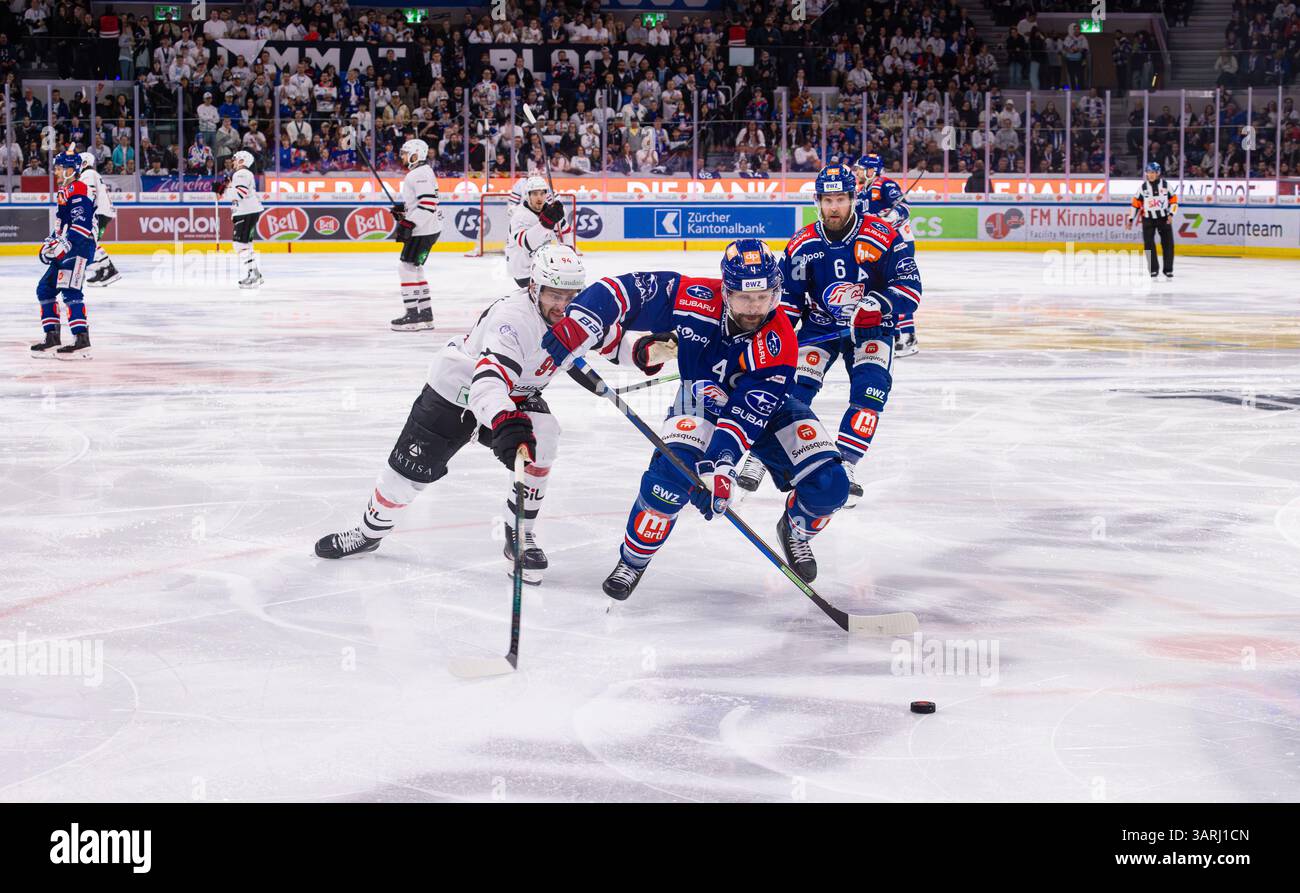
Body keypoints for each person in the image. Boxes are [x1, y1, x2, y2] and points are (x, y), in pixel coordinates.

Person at [540, 240, 853, 592]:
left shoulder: (780, 342)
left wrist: (719, 467)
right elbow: (625, 290)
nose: (755, 308)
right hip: (700, 400)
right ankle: (633, 560)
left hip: (768, 409)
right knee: (668, 480)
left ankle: (795, 530)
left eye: (763, 297)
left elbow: (745, 415)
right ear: (726, 291)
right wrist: (584, 319)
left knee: (831, 484)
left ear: (776, 293)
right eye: (744, 298)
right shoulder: (694, 297)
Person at [313, 244, 588, 585]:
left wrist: (640, 351)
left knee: (543, 436)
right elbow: (488, 383)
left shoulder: (577, 314)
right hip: (458, 391)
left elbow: (605, 338)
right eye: (554, 295)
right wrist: (506, 422)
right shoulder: (512, 319)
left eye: (570, 296)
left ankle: (519, 534)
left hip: (514, 395)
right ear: (534, 287)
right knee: (405, 478)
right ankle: (367, 533)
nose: (562, 305)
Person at [735, 165, 920, 509]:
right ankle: (762, 457)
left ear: (853, 198)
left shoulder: (882, 236)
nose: (834, 207)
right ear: (818, 202)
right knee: (791, 390)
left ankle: (846, 464)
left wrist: (878, 304)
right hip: (821, 329)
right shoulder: (802, 244)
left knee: (870, 392)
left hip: (872, 329)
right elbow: (788, 302)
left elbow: (910, 287)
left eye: (840, 199)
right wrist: (769, 337)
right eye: (827, 200)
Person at [853, 153, 923, 356]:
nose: (857, 172)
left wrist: (889, 218)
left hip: (899, 244)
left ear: (872, 170)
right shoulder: (862, 192)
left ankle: (908, 337)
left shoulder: (885, 184)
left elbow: (904, 208)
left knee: (900, 287)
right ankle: (895, 334)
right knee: (882, 289)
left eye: (861, 169)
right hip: (880, 246)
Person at [31, 151, 97, 360]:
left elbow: (82, 225)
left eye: (59, 168)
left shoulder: (79, 189)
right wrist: (50, 243)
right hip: (70, 246)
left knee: (70, 290)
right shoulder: (65, 190)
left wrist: (65, 244)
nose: (56, 172)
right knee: (45, 288)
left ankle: (82, 341)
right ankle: (52, 337)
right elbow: (62, 224)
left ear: (70, 170)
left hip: (80, 246)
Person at [389, 137, 443, 331]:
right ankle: (426, 314)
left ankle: (412, 316)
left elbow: (427, 204)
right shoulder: (424, 171)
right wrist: (405, 211)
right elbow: (423, 202)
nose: (402, 157)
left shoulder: (417, 174)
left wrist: (409, 223)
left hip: (422, 231)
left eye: (405, 153)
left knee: (406, 268)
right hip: (430, 229)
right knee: (415, 268)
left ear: (415, 155)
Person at [213, 150, 264, 288]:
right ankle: (255, 274)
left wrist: (223, 190)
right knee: (246, 245)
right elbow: (236, 193)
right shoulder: (242, 174)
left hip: (246, 212)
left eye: (235, 159)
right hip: (248, 211)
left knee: (240, 245)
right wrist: (224, 188)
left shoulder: (241, 173)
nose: (233, 162)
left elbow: (240, 194)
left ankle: (254, 275)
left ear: (242, 161)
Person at [506, 175, 568, 288]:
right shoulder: (519, 215)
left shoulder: (549, 211)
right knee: (559, 290)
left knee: (573, 283)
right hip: (523, 272)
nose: (539, 198)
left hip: (543, 267)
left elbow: (565, 230)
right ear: (528, 196)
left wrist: (568, 256)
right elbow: (526, 243)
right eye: (535, 194)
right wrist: (546, 223)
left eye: (542, 193)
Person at [1128, 161, 1178, 279]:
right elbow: (1135, 204)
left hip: (1164, 219)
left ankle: (1168, 270)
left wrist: (1171, 214)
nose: (1150, 175)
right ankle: (1153, 270)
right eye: (1148, 172)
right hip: (1148, 220)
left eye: (1153, 172)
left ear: (1158, 173)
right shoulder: (1142, 188)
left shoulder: (1166, 186)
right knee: (1149, 245)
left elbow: (1174, 201)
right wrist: (1130, 219)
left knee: (1168, 244)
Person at [79, 151, 121, 286]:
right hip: (102, 212)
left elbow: (89, 194)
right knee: (90, 242)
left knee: (89, 242)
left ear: (85, 163)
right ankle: (101, 270)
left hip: (99, 213)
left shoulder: (88, 174)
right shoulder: (91, 174)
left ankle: (110, 270)